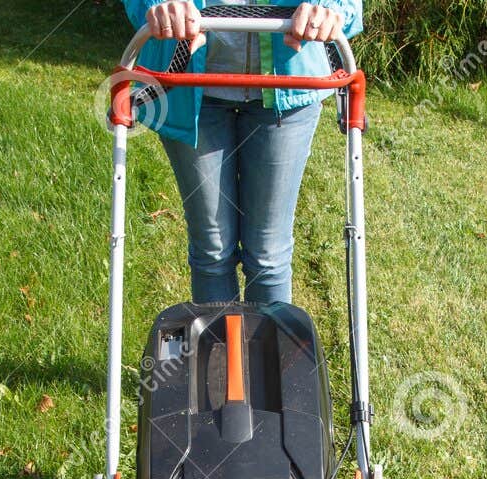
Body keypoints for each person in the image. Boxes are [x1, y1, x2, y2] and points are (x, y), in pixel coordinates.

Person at [122, 2, 362, 305]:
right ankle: (218, 336)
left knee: (268, 254)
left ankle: (269, 336)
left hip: (288, 82)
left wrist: (328, 9)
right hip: (188, 79)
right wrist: (157, 5)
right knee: (212, 250)